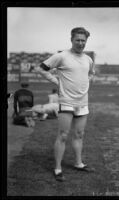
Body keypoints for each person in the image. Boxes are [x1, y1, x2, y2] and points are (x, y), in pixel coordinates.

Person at [36, 27, 95, 181]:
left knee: (79, 134)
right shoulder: (61, 56)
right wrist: (56, 81)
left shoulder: (88, 59)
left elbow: (91, 73)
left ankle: (78, 163)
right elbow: (41, 69)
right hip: (66, 101)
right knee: (63, 135)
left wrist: (86, 83)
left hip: (82, 102)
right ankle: (57, 168)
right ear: (71, 40)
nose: (81, 43)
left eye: (83, 40)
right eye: (78, 40)